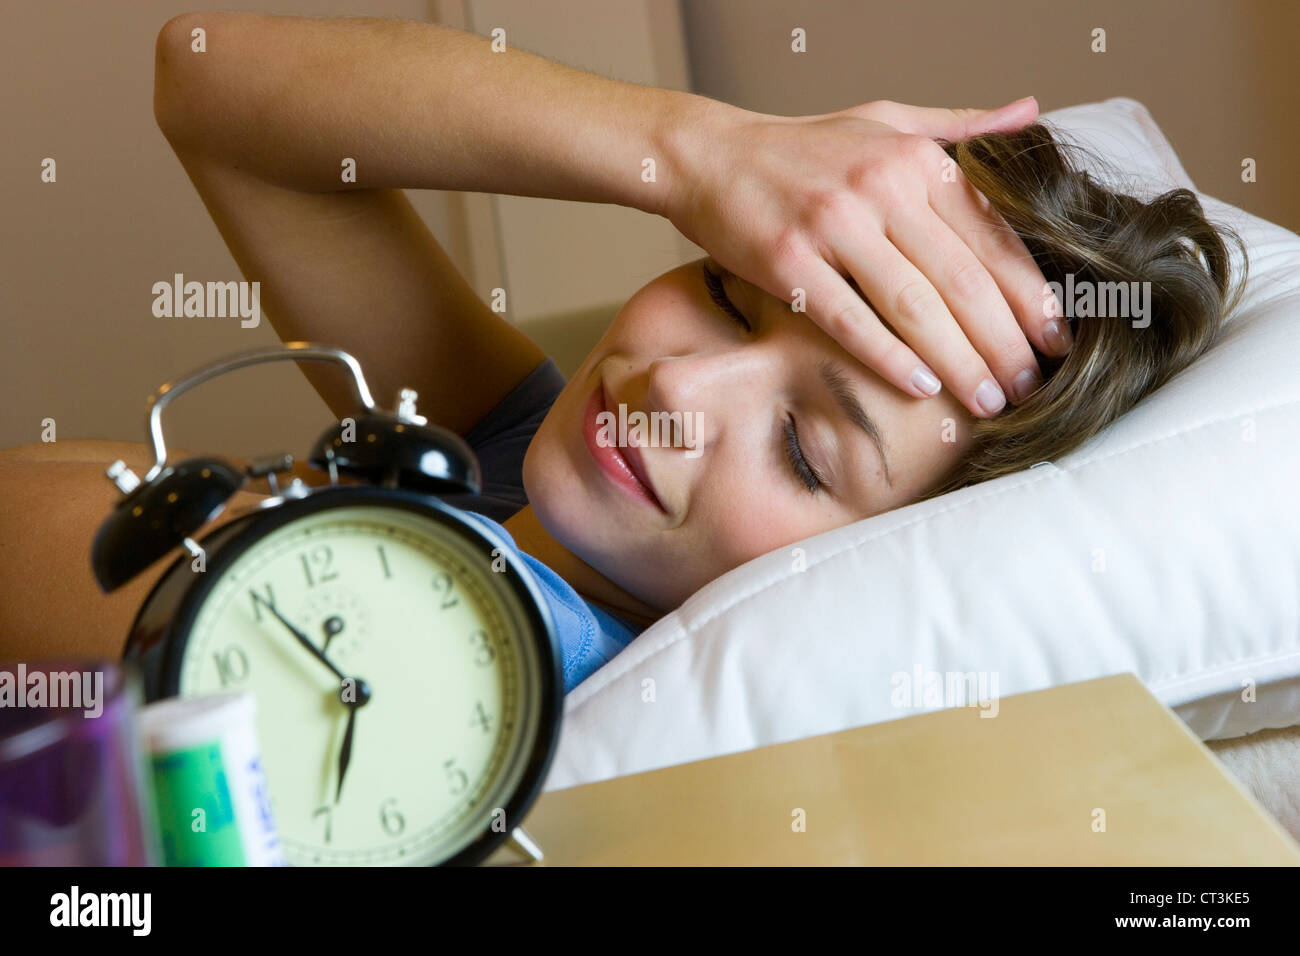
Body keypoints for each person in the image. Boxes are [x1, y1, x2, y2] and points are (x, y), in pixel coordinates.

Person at [0, 14, 1241, 693]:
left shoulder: (493, 657)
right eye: (727, 292)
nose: (673, 393)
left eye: (806, 451)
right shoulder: (521, 482)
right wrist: (700, 152)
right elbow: (210, 79)